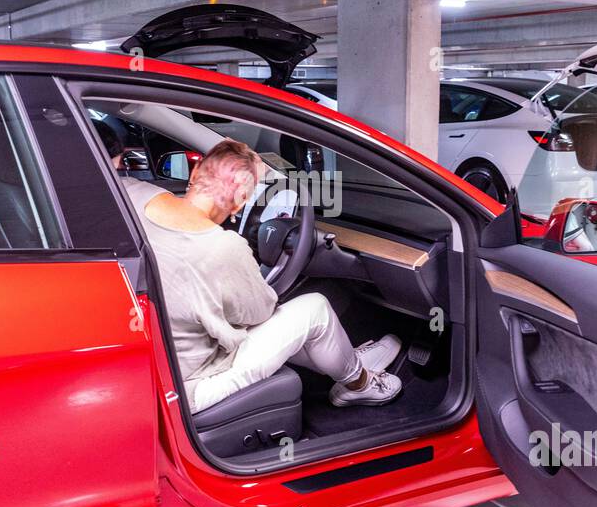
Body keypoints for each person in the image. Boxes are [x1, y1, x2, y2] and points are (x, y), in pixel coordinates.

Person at [122, 137, 403, 414]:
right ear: (242, 200)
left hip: (141, 365)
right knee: (314, 308)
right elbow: (260, 314)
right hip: (189, 386)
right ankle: (358, 383)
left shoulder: (131, 193)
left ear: (195, 172)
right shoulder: (223, 247)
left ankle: (348, 359)